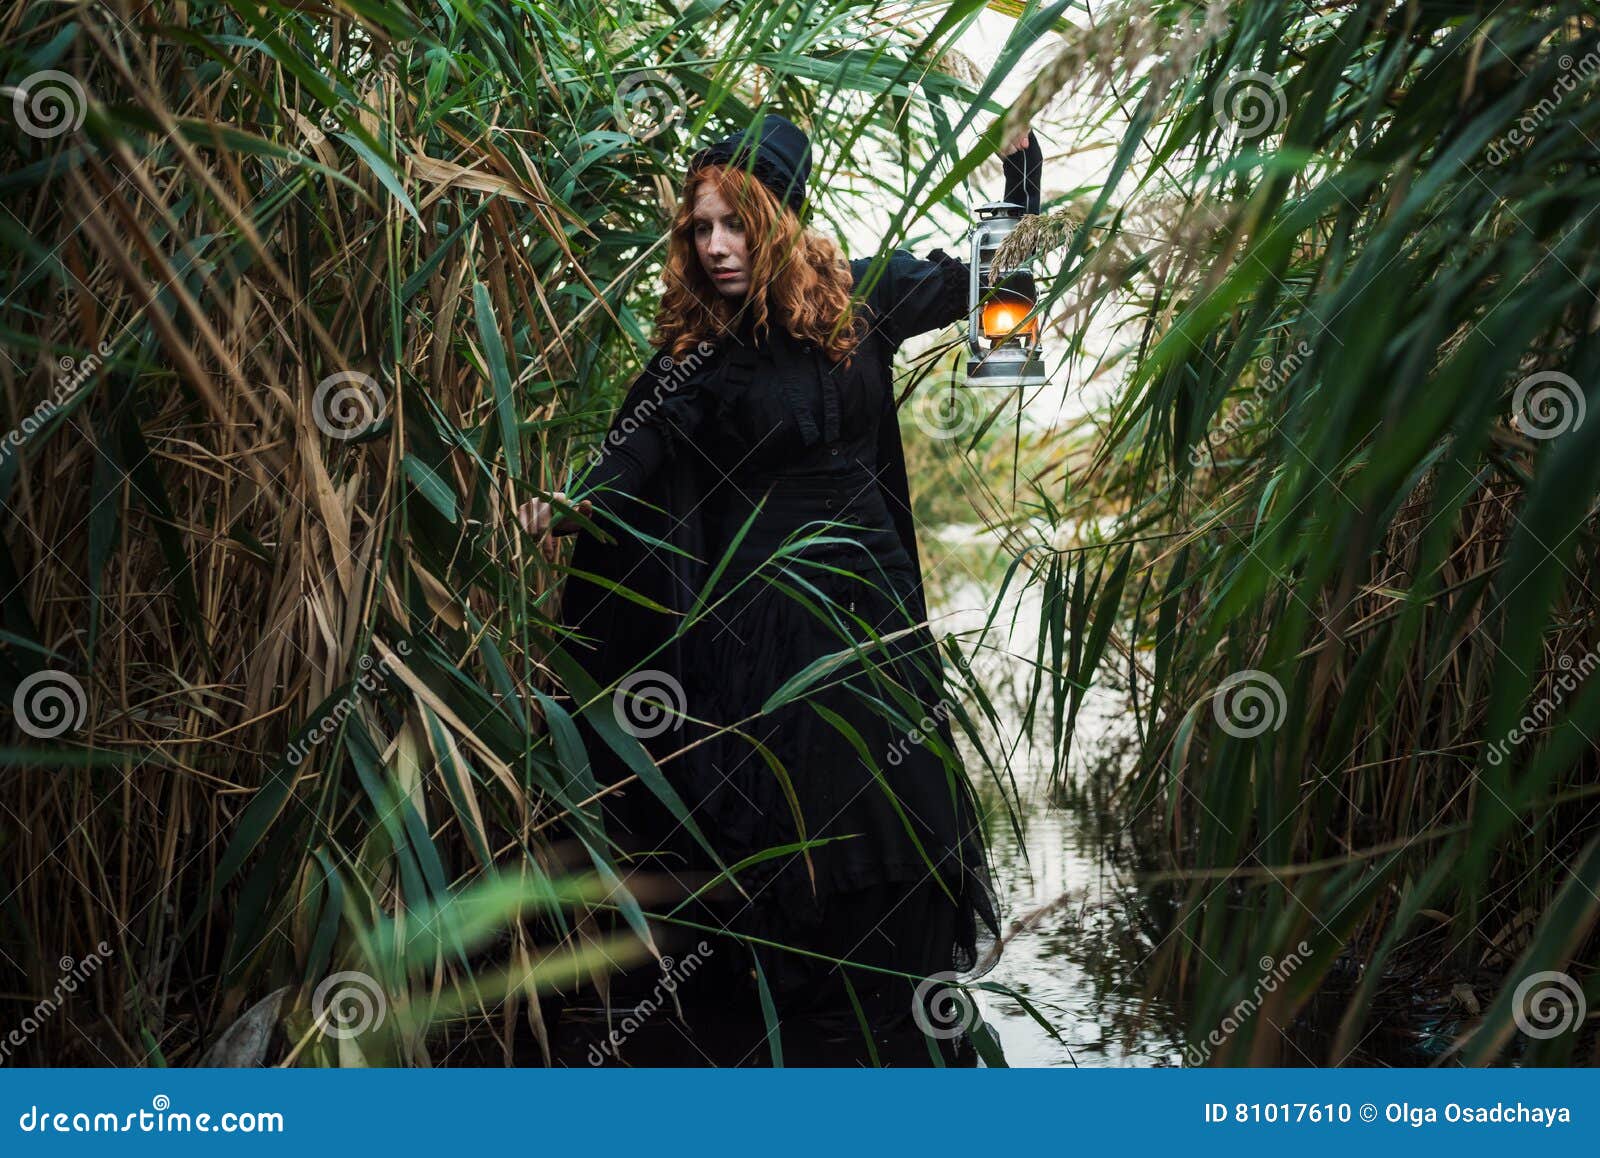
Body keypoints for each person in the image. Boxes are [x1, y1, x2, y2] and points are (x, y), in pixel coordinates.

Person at [520, 113, 1042, 1054]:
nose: (715, 248)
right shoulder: (698, 357)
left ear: (780, 217)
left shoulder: (863, 299)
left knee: (897, 815)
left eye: (734, 224)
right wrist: (557, 508)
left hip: (874, 611)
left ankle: (894, 1027)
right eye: (700, 230)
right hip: (761, 629)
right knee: (789, 832)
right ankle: (795, 1039)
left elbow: (991, 291)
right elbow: (628, 462)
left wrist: (1018, 181)